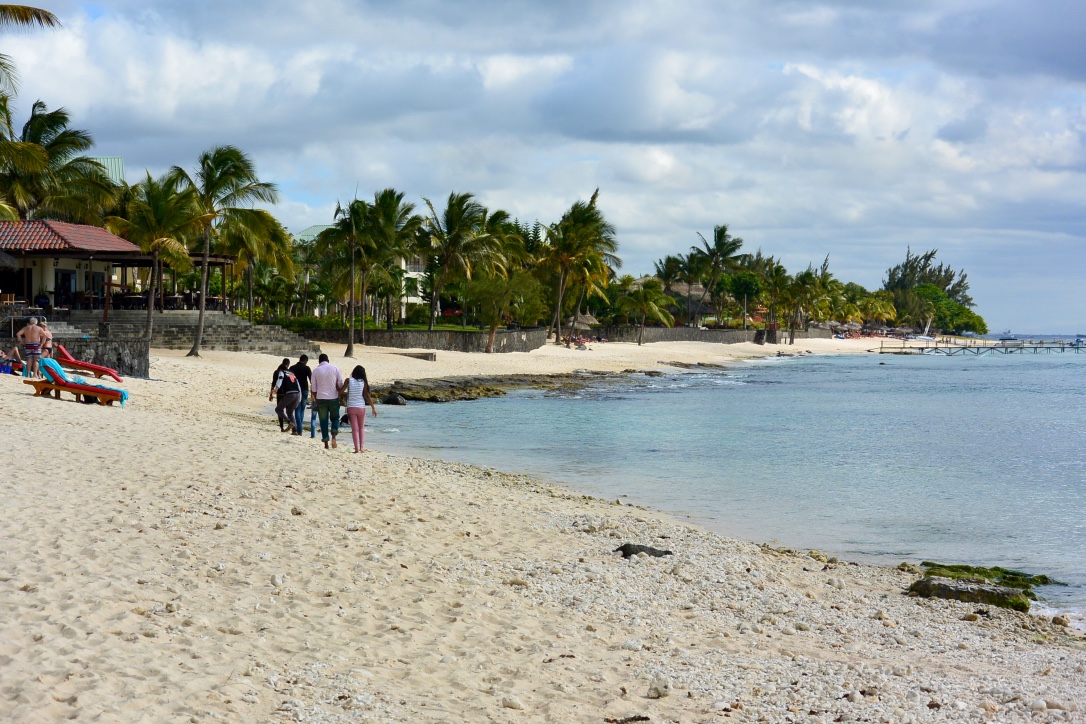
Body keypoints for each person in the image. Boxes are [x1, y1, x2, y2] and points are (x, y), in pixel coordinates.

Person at [310, 353, 344, 449]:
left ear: (319, 361)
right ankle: (333, 436)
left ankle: (325, 442)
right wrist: (340, 397)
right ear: (328, 361)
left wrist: (316, 400)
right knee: (335, 418)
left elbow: (313, 388)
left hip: (321, 398)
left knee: (323, 421)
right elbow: (340, 384)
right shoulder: (335, 368)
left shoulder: (316, 370)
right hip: (333, 397)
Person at [342, 365, 378, 453]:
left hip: (351, 407)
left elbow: (341, 391)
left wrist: (337, 388)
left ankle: (356, 449)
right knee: (361, 428)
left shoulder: (348, 380)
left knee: (354, 429)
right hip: (361, 407)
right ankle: (362, 447)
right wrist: (373, 408)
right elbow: (367, 396)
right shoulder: (363, 383)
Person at [268, 358, 302, 434]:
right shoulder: (292, 373)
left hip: (290, 394)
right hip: (297, 394)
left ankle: (289, 422)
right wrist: (299, 400)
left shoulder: (281, 372)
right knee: (290, 412)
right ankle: (295, 431)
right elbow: (298, 386)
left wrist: (276, 388)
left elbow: (280, 379)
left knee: (278, 409)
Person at [289, 354, 312, 437]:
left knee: (297, 409)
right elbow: (311, 380)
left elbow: (289, 380)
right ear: (305, 361)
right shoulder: (307, 368)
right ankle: (299, 429)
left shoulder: (292, 368)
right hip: (305, 390)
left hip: (296, 390)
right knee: (302, 409)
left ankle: (298, 429)